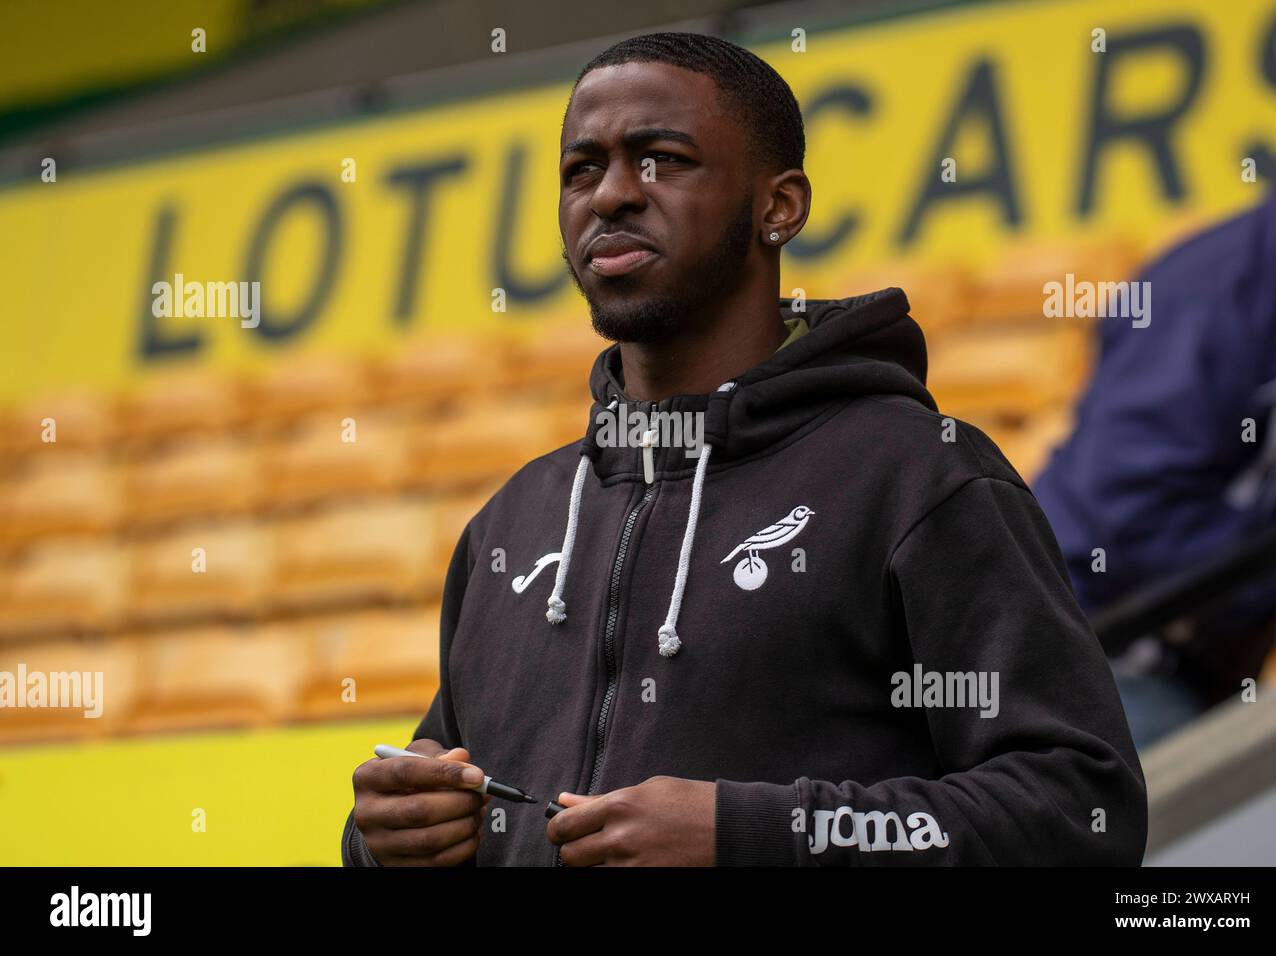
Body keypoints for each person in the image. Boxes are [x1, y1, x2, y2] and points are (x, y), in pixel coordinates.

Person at [343, 31, 1146, 867]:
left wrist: (754, 834)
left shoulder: (920, 478)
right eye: (582, 170)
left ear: (780, 207)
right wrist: (379, 839)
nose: (612, 194)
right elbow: (437, 778)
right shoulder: (511, 522)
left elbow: (1080, 807)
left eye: (660, 159)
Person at [1033, 180, 1276, 749]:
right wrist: (1275, 585)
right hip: (1091, 651)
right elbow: (1124, 512)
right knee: (1230, 807)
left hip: (1197, 654)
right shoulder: (1213, 294)